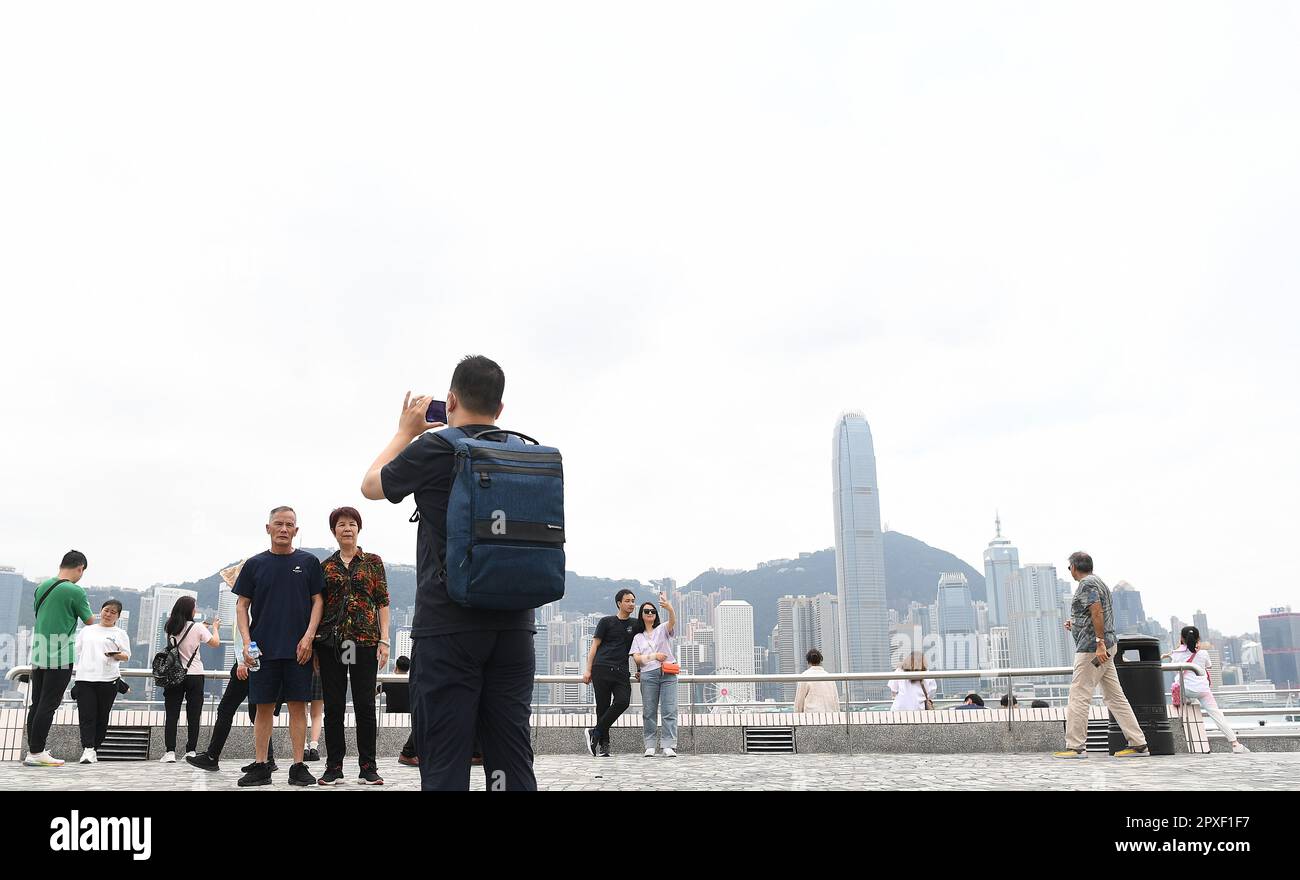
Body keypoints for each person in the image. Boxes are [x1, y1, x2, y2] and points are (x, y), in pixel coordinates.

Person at [361, 355, 538, 791]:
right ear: (500, 409)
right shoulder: (524, 451)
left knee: (444, 758)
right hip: (515, 628)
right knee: (510, 756)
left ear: (452, 399)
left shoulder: (436, 447)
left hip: (448, 625)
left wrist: (406, 431)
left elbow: (371, 485)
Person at [233, 506, 325, 787]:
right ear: (268, 528)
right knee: (263, 708)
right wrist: (247, 644)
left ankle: (298, 766)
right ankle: (261, 766)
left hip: (299, 650)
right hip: (264, 651)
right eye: (279, 524)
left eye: (289, 525)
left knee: (299, 707)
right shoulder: (254, 564)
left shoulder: (308, 562)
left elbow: (318, 601)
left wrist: (309, 636)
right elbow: (241, 605)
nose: (284, 529)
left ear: (296, 530)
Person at [316, 505, 391, 785]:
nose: (346, 528)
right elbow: (319, 606)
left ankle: (368, 766)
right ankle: (334, 766)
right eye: (341, 524)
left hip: (365, 642)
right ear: (334, 531)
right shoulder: (325, 567)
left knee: (364, 706)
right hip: (331, 644)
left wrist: (384, 640)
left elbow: (383, 602)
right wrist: (313, 645)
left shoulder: (373, 562)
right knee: (333, 707)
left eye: (351, 524)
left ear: (359, 528)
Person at [1054, 551, 1149, 759]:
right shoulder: (1099, 582)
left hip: (1092, 650)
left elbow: (1098, 612)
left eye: (1069, 567)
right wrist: (1076, 624)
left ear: (1073, 567)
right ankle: (1138, 744)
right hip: (1106, 646)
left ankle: (1075, 747)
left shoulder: (1087, 584)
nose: (1069, 571)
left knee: (1079, 694)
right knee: (1115, 697)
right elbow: (1094, 614)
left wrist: (1099, 644)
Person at [25, 550, 94, 767]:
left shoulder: (42, 587)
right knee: (48, 705)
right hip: (60, 655)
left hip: (38, 652)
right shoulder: (75, 591)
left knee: (37, 705)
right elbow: (90, 621)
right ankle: (36, 753)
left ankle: (34, 750)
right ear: (80, 568)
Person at [1165, 626, 1249, 755]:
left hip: (1185, 690)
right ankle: (1235, 743)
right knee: (1216, 714)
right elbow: (1208, 665)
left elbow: (1175, 666)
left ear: (1182, 638)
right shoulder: (1203, 653)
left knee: (1180, 693)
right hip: (1203, 690)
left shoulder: (1176, 654)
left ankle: (1187, 702)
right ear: (1198, 638)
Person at [185, 660, 281, 772]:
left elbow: (242, 642)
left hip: (247, 664)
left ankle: (212, 756)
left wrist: (242, 662)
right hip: (260, 665)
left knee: (226, 710)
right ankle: (268, 760)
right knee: (257, 713)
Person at [159, 595, 220, 763]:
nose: (196, 609)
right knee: (194, 715)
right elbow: (215, 643)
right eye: (195, 607)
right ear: (190, 609)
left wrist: (201, 628)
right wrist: (214, 628)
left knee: (172, 714)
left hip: (174, 675)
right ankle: (190, 751)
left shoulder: (170, 627)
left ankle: (170, 752)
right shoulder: (198, 627)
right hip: (194, 675)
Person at [72, 599, 131, 764]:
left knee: (102, 717)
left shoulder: (120, 633)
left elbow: (126, 656)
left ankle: (94, 749)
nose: (108, 614)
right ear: (101, 610)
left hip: (108, 679)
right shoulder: (87, 630)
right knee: (86, 715)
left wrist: (115, 654)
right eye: (106, 610)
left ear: (117, 616)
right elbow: (76, 650)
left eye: (113, 612)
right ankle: (88, 749)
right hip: (85, 678)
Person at [583, 589, 637, 757]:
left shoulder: (636, 625)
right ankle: (604, 746)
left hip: (621, 671)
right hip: (602, 668)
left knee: (623, 702)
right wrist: (588, 669)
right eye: (627, 601)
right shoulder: (606, 622)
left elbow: (641, 647)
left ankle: (595, 732)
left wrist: (641, 669)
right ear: (619, 603)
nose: (631, 604)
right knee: (602, 707)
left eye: (633, 601)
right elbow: (594, 647)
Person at [631, 594, 678, 757]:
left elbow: (672, 622)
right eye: (646, 611)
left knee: (669, 710)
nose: (650, 613)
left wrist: (669, 608)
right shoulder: (638, 637)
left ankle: (668, 745)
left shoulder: (662, 629)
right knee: (649, 711)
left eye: (653, 611)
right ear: (641, 615)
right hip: (648, 674)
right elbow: (637, 658)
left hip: (668, 673)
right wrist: (653, 656)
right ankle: (650, 744)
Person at [379, 655, 418, 767]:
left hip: (390, 716)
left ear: (396, 667)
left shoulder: (389, 681)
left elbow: (374, 692)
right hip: (409, 716)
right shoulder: (411, 682)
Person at [794, 648, 841, 713]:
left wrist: (797, 716)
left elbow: (799, 701)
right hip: (829, 716)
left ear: (808, 662)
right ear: (820, 661)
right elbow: (835, 700)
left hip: (811, 717)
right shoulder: (829, 677)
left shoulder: (804, 676)